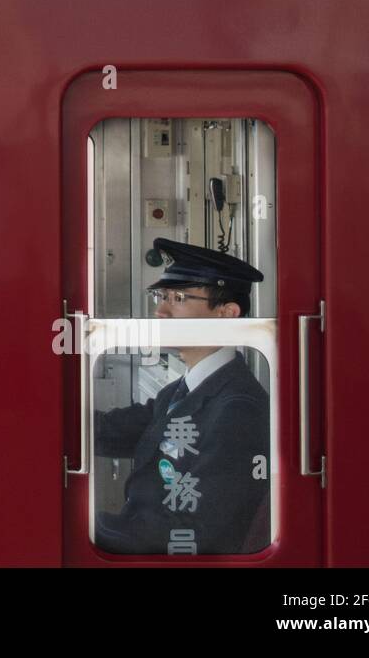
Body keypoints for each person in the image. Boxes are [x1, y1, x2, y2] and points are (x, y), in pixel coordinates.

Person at [94, 238, 269, 556]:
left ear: (227, 314)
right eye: (161, 296)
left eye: (178, 298)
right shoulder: (184, 388)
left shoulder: (238, 409)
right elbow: (109, 430)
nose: (160, 311)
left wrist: (85, 527)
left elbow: (193, 529)